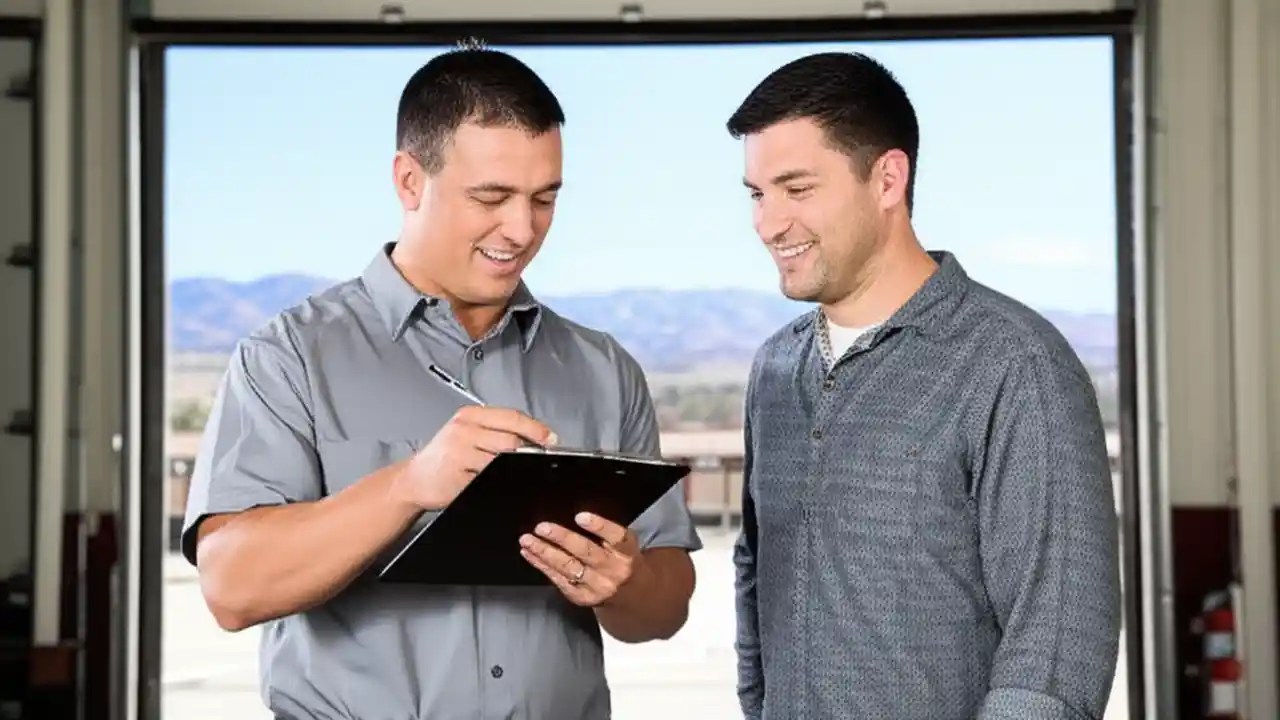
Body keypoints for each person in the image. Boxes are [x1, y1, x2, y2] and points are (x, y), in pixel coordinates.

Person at [182, 46, 701, 720]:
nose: (521, 229)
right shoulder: (287, 357)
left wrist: (620, 582)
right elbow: (232, 588)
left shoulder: (604, 371)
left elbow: (663, 610)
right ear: (408, 181)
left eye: (544, 199)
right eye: (492, 197)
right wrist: (406, 487)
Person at [726, 52, 1120, 720]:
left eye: (797, 189)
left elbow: (1056, 646)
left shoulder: (1014, 365)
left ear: (887, 179)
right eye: (758, 194)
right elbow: (756, 579)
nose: (769, 224)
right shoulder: (773, 369)